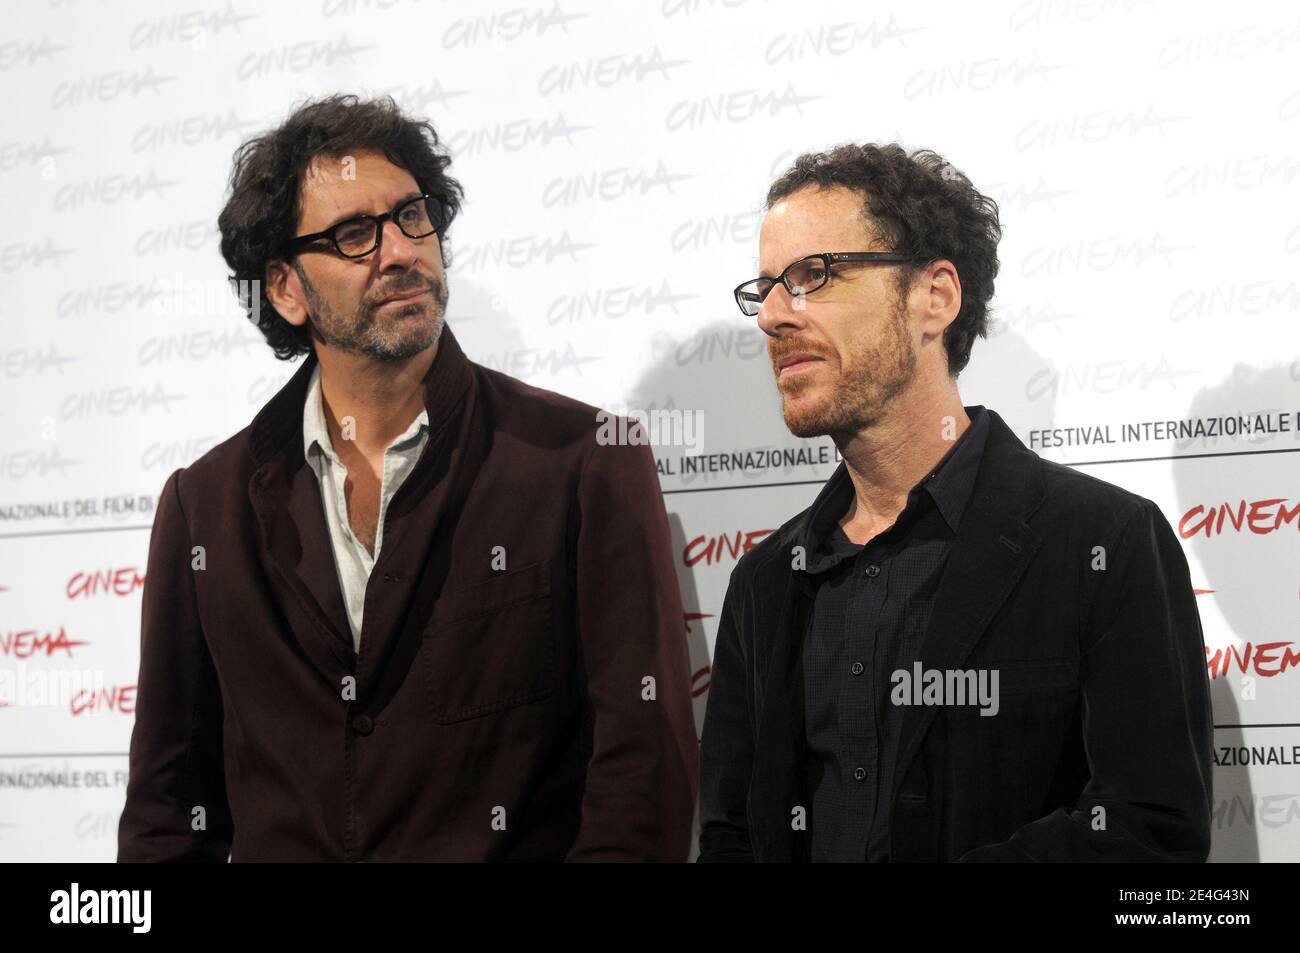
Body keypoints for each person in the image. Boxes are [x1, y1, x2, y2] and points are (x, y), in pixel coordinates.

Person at [118, 94, 697, 862]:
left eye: (412, 217)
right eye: (355, 234)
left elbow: (641, 781)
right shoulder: (205, 506)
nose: (400, 252)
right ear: (286, 287)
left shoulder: (584, 459)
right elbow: (169, 805)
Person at [699, 143, 1212, 862]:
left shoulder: (1104, 542)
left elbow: (1150, 831)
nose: (773, 317)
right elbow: (731, 836)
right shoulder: (764, 582)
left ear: (934, 297)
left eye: (813, 275)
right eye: (765, 289)